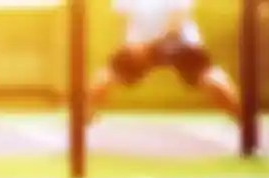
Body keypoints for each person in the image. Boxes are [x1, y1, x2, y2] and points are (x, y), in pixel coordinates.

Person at [88, 0, 241, 124]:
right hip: (139, 47)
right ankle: (81, 121)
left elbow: (176, 24)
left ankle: (244, 119)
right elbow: (121, 19)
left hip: (179, 44)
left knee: (210, 77)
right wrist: (131, 46)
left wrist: (149, 46)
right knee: (106, 76)